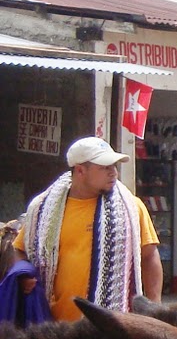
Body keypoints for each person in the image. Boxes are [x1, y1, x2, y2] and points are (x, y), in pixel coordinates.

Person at [14, 137, 162, 321]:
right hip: (51, 326)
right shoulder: (42, 210)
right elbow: (19, 250)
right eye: (105, 167)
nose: (113, 173)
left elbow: (149, 256)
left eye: (114, 166)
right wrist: (23, 275)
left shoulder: (131, 208)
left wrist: (155, 309)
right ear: (80, 170)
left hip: (110, 330)